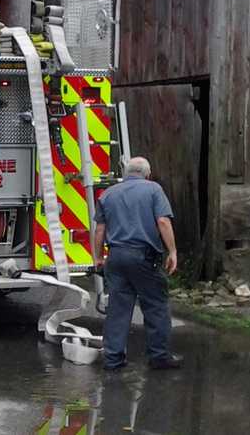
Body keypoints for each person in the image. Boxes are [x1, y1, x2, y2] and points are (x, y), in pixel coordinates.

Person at [95, 156, 183, 371]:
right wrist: (172, 251)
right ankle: (159, 356)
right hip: (143, 257)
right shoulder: (153, 190)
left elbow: (99, 230)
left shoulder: (108, 194)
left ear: (126, 173)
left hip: (115, 257)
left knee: (118, 308)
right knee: (155, 305)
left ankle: (113, 359)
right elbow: (162, 221)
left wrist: (97, 257)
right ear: (148, 173)